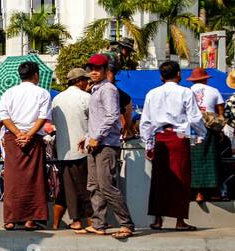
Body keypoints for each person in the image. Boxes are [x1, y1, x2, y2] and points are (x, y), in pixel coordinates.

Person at [140, 59, 204, 231]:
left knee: (159, 180)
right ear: (178, 74)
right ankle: (179, 221)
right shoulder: (185, 92)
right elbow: (195, 118)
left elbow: (145, 122)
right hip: (179, 136)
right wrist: (201, 134)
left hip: (160, 137)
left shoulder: (152, 94)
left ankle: (158, 220)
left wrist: (148, 144)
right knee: (181, 179)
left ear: (161, 76)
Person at [0, 60, 52, 230]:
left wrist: (18, 133)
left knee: (12, 180)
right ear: (36, 75)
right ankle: (30, 219)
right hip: (33, 137)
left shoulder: (8, 92)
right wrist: (27, 134)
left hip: (14, 138)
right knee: (34, 179)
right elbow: (42, 117)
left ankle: (10, 219)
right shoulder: (43, 93)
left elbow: (4, 116)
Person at [84, 54, 134, 239]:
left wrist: (96, 136)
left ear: (106, 70)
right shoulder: (96, 89)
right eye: (91, 69)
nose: (94, 72)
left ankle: (126, 223)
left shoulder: (108, 89)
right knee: (94, 186)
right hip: (95, 143)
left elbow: (113, 115)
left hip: (105, 144)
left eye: (97, 69)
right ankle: (98, 224)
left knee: (107, 186)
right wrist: (88, 137)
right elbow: (97, 118)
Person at [50, 68, 93, 230]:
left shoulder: (57, 99)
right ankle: (88, 220)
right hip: (83, 149)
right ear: (80, 81)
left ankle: (74, 220)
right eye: (86, 80)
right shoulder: (87, 98)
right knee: (85, 187)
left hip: (63, 151)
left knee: (68, 188)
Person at [185, 66, 223, 203]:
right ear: (205, 79)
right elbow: (221, 113)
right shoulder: (215, 91)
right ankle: (213, 192)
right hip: (210, 128)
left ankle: (197, 193)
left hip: (193, 128)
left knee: (194, 160)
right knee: (211, 159)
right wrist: (220, 130)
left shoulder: (187, 92)